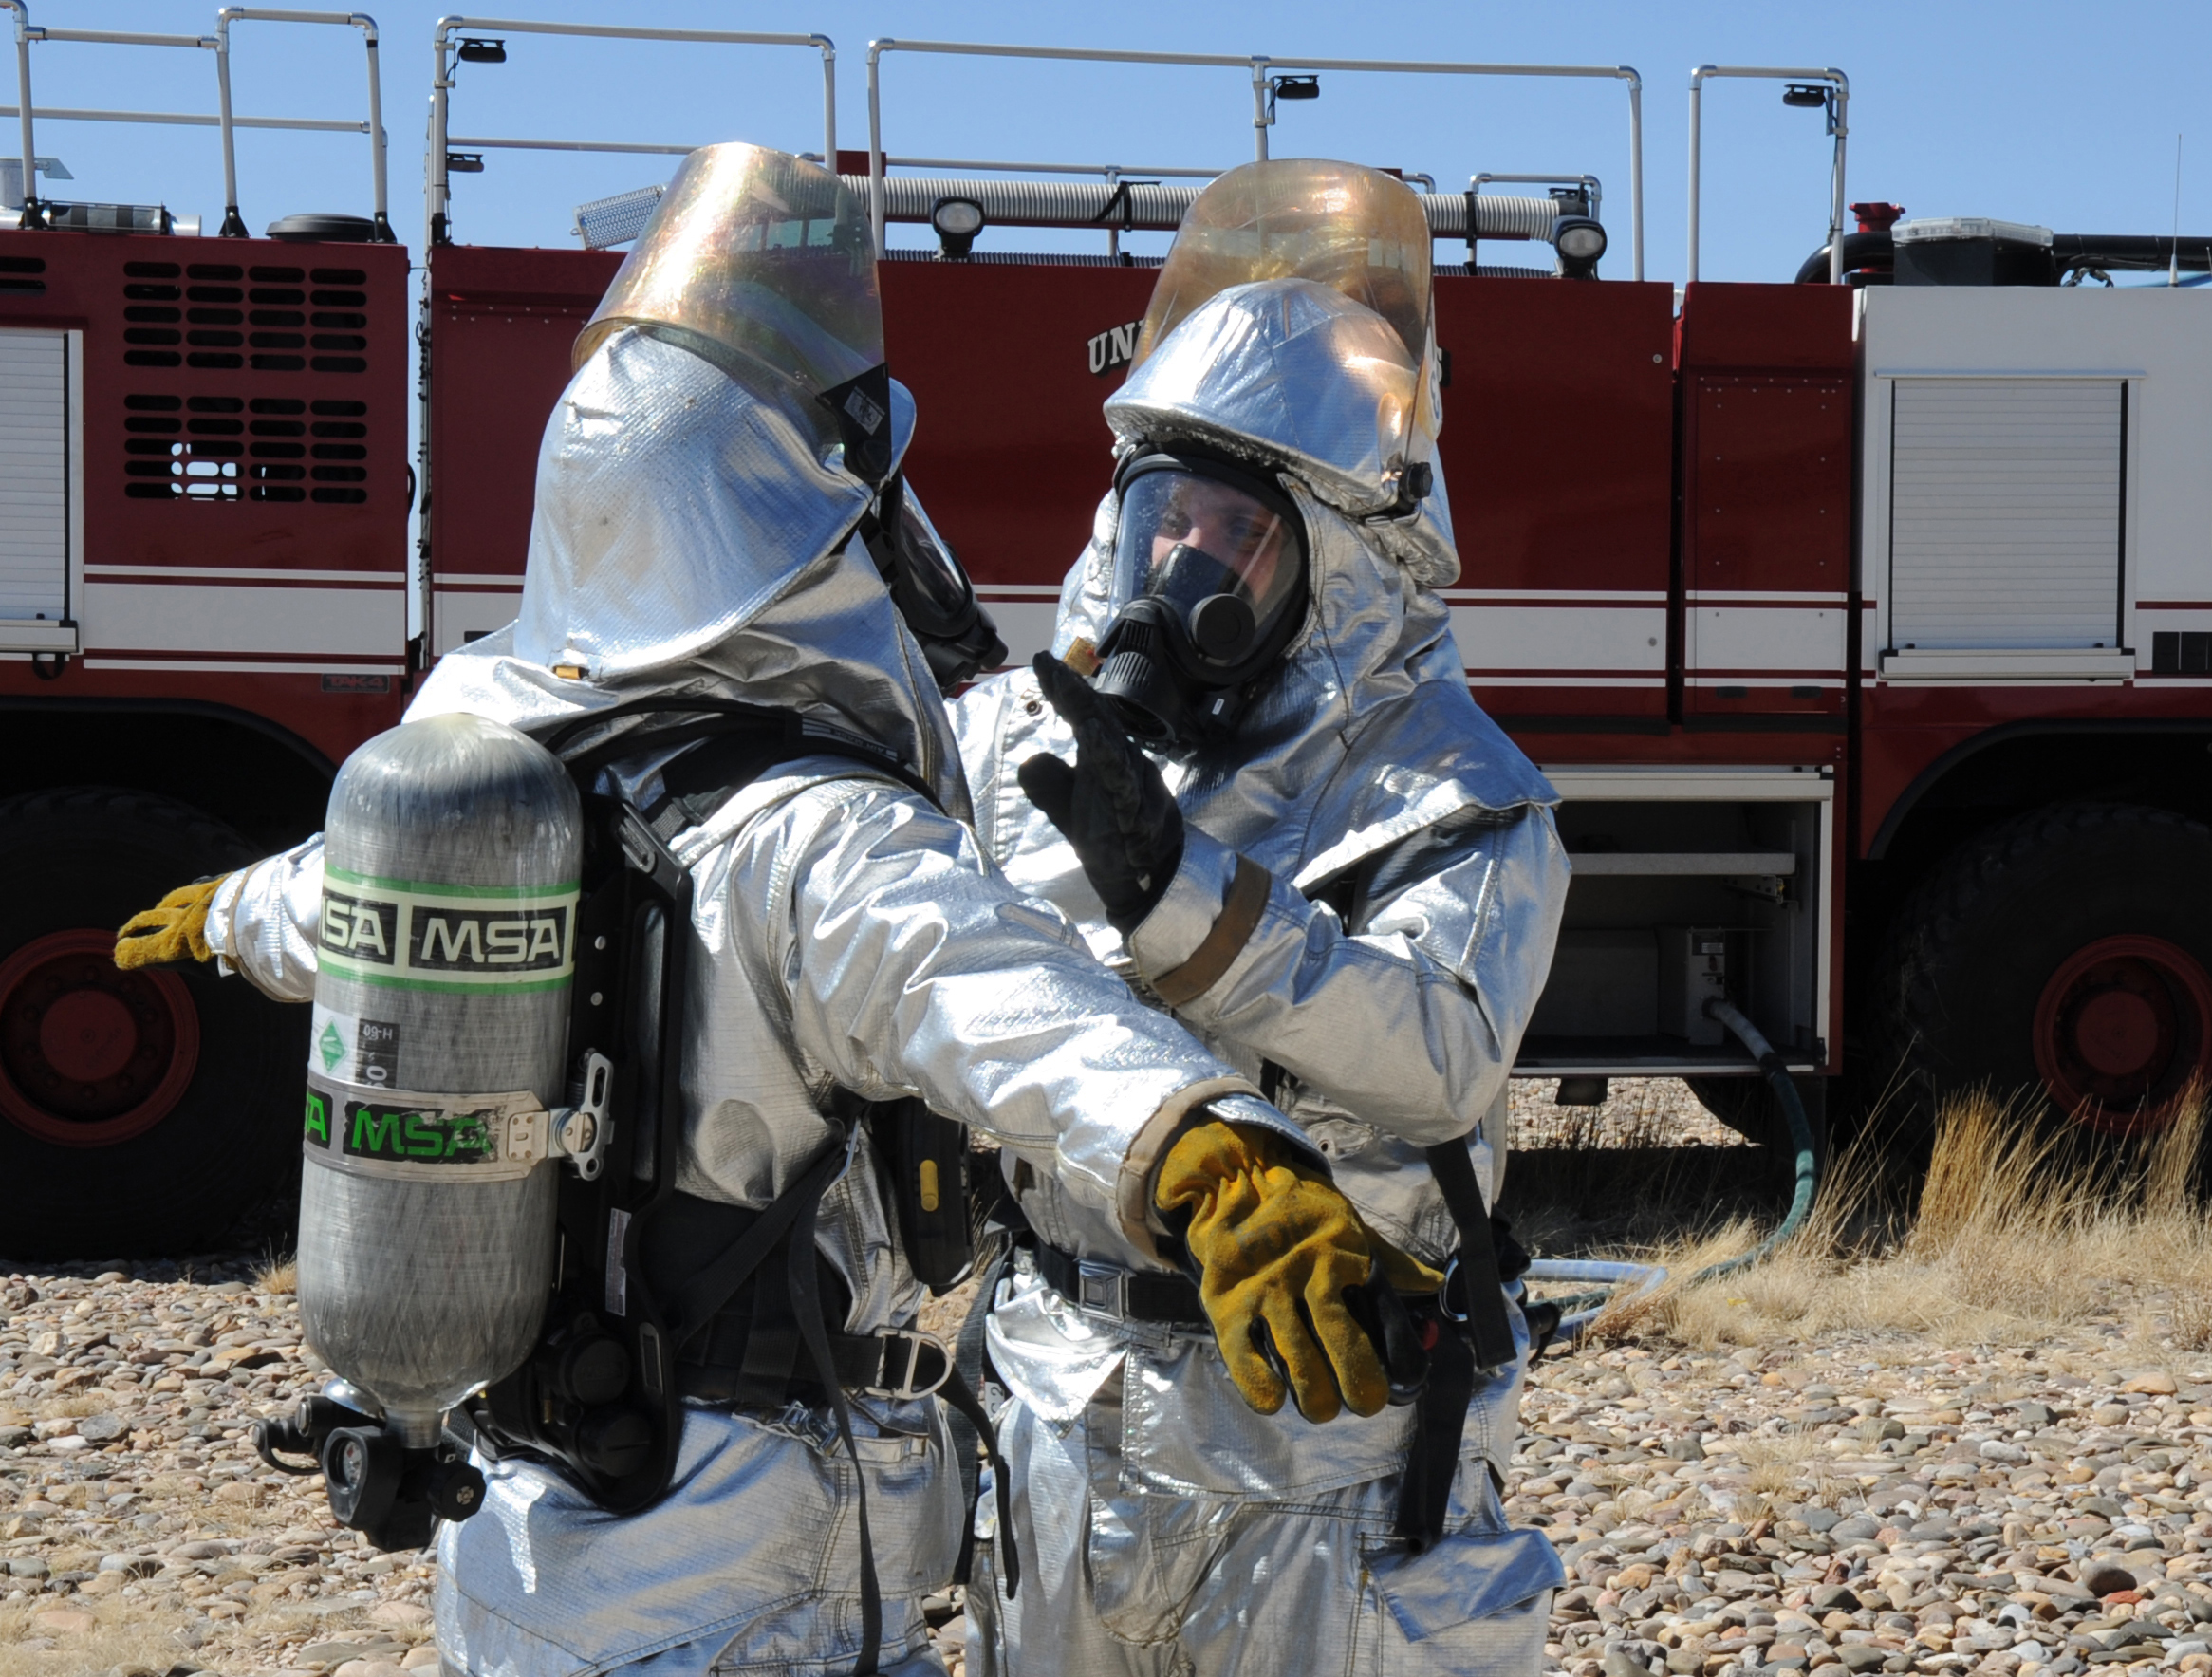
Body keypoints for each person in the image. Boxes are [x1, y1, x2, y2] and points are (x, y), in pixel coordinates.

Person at [114, 146, 1420, 1677]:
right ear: (805, 523)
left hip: (522, 1537)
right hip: (740, 1552)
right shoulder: (810, 833)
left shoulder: (490, 793)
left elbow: (313, 911)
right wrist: (1202, 1151)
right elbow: (995, 1000)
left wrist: (213, 917)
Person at [951, 158, 1572, 1676]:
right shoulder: (1024, 750)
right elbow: (897, 961)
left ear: (1344, 561)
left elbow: (1439, 1053)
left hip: (1322, 1461)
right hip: (1058, 1412)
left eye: (1237, 534)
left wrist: (1183, 902)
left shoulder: (1464, 799)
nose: (1184, 567)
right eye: (1163, 517)